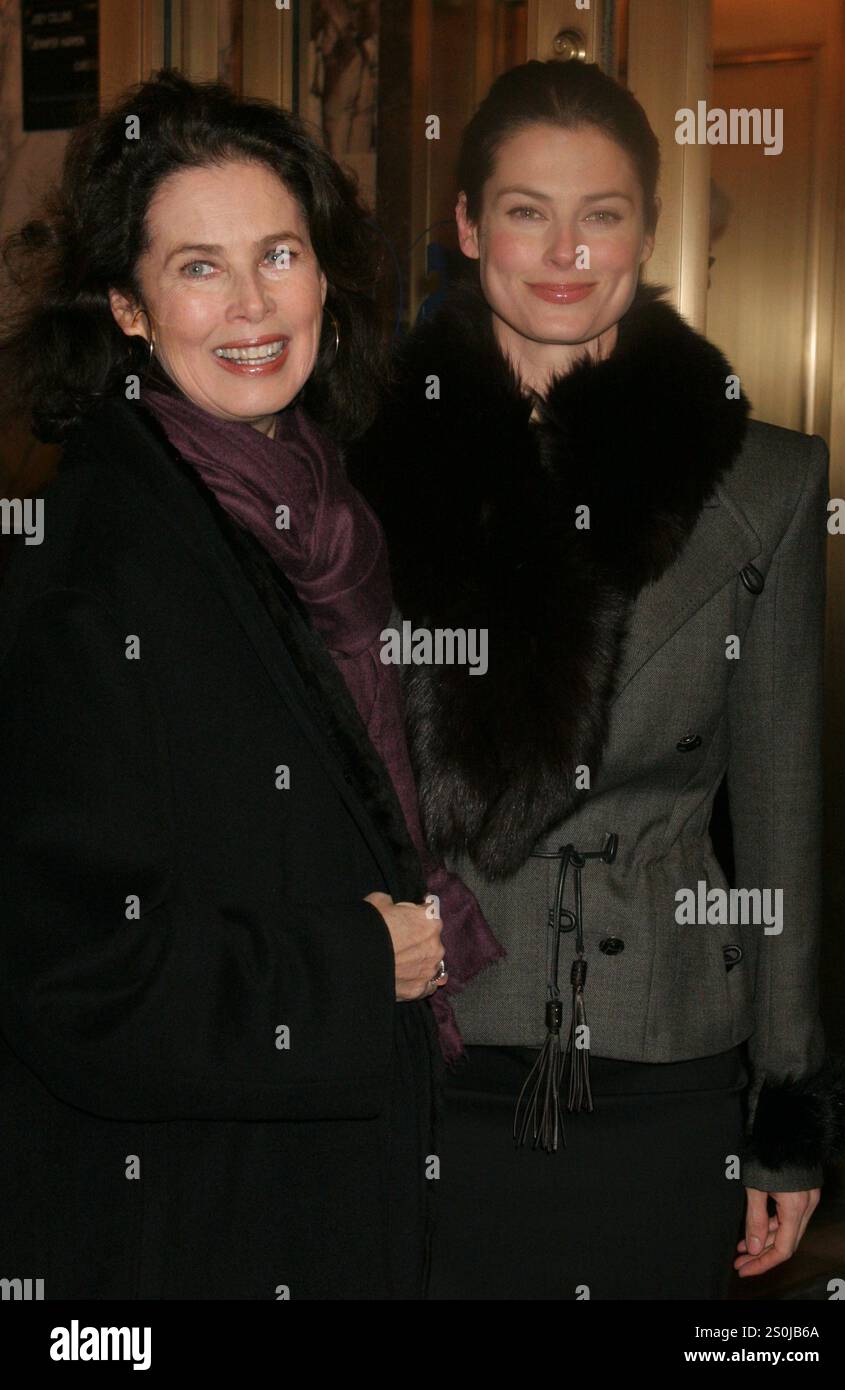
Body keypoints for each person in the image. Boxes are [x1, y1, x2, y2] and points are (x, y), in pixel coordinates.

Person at [348, 60, 845, 1300]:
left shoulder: (767, 485)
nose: (564, 250)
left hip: (664, 1046)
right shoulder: (362, 464)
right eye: (525, 209)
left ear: (649, 226)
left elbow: (782, 807)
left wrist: (785, 1097)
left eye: (603, 212)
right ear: (467, 225)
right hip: (427, 1037)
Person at [0, 69, 456, 1300]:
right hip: (189, 1216)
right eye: (198, 267)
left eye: (279, 254)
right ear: (128, 308)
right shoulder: (91, 558)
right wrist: (357, 965)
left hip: (335, 1172)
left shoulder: (331, 507)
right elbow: (73, 972)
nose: (252, 305)